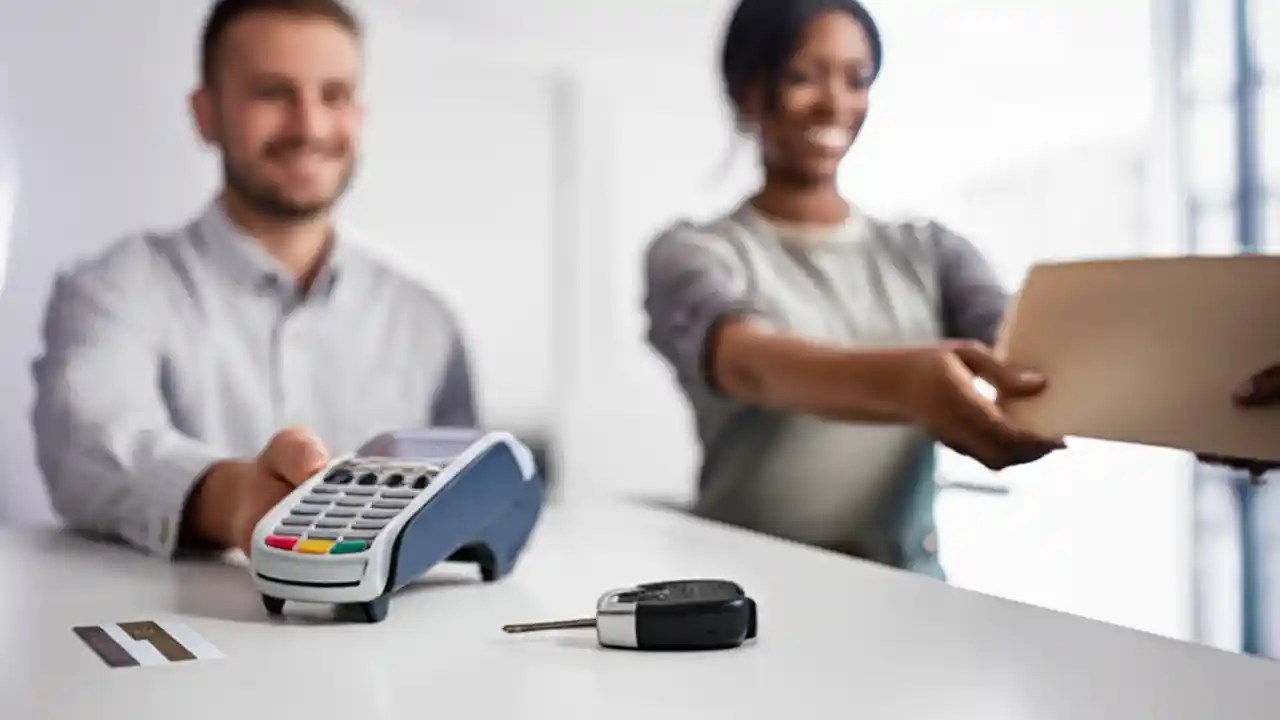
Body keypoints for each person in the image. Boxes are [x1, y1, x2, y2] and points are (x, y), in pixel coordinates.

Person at [31, 0, 475, 559]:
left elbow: (464, 512)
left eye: (334, 95)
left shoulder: (427, 322)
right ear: (206, 114)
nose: (309, 126)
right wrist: (235, 499)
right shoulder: (113, 290)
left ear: (358, 114)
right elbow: (87, 446)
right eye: (272, 92)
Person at [642, 0, 1064, 578]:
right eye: (803, 76)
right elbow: (749, 364)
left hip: (908, 601)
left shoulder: (930, 252)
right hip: (745, 603)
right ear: (747, 90)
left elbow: (1028, 350)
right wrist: (908, 386)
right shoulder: (692, 254)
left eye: (856, 79)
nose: (835, 102)